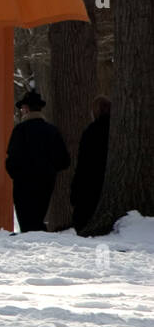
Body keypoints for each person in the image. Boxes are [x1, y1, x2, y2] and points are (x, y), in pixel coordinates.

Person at [6, 90, 70, 232]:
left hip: (23, 183)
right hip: (45, 181)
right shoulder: (51, 131)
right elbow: (64, 160)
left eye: (22, 108)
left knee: (27, 221)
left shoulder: (20, 131)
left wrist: (16, 174)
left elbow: (11, 160)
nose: (22, 111)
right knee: (38, 217)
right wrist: (50, 170)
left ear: (27, 109)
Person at [69, 96, 111, 232]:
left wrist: (75, 189)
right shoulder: (116, 130)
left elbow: (83, 162)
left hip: (91, 181)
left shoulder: (91, 132)